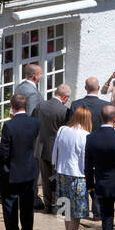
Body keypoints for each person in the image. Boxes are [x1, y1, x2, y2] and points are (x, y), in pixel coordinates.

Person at [0, 93, 41, 230]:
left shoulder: (9, 125)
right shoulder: (35, 123)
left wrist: (0, 167)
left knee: (10, 206)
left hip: (12, 172)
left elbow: (4, 152)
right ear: (25, 106)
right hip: (29, 170)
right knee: (27, 207)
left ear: (12, 107)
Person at [52, 105, 92, 230]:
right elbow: (85, 159)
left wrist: (55, 167)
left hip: (62, 173)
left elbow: (55, 152)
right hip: (78, 176)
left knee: (66, 210)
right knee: (76, 212)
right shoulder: (86, 135)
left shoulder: (62, 130)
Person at [35, 83, 72, 214]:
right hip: (58, 150)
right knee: (58, 178)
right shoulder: (64, 111)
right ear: (64, 97)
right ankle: (60, 208)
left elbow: (34, 123)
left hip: (41, 147)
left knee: (45, 178)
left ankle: (48, 205)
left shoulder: (40, 106)